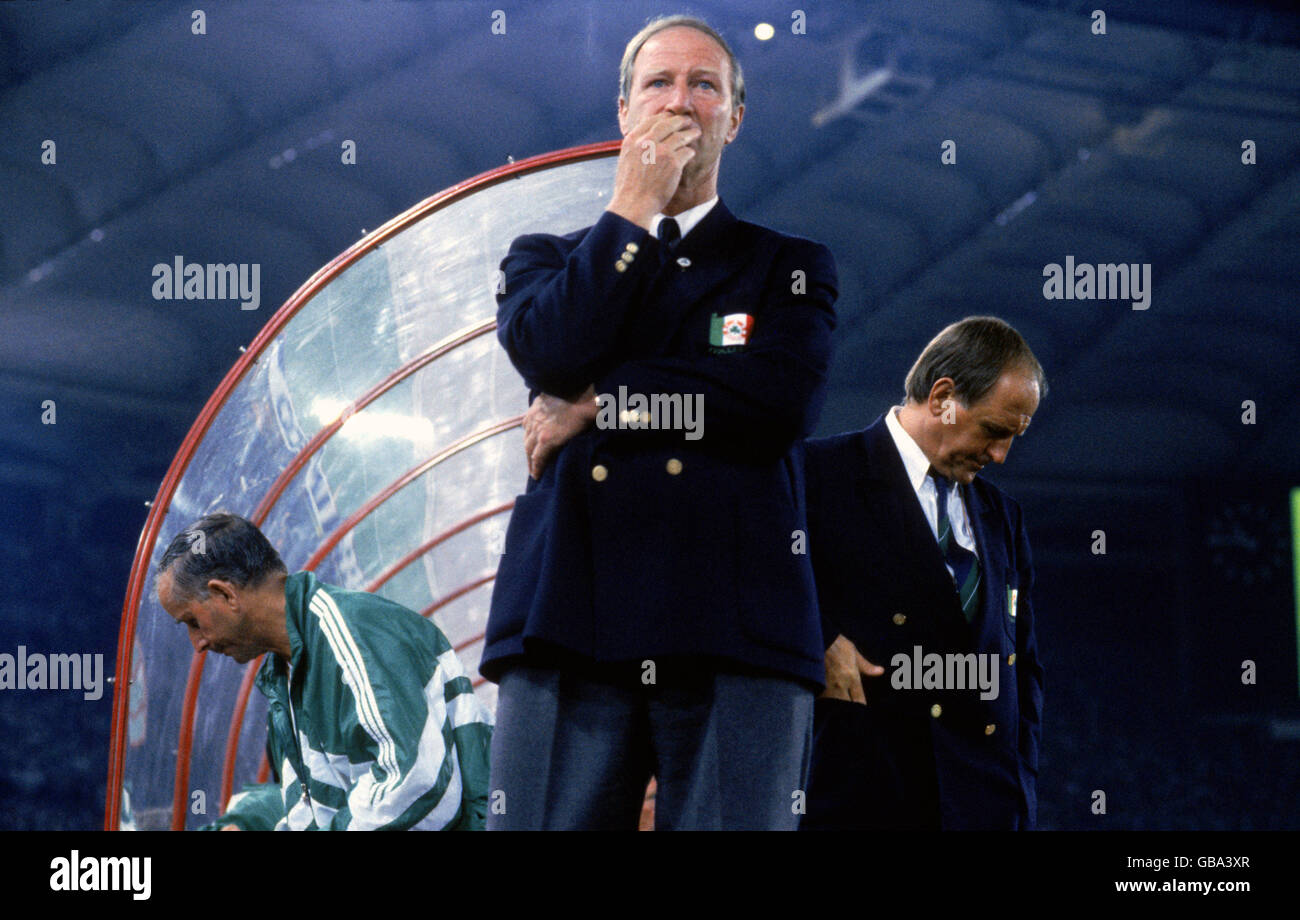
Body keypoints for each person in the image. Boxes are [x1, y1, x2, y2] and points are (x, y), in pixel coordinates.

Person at [482, 15, 838, 830]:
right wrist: (632, 205)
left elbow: (776, 402)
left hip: (736, 624)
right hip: (568, 613)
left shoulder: (789, 264)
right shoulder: (541, 256)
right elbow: (549, 353)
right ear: (624, 112)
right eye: (660, 84)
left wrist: (601, 404)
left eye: (704, 85)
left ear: (735, 119)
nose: (681, 103)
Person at [799, 316, 1046, 830]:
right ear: (942, 397)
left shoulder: (1003, 515)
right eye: (995, 431)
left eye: (1013, 438)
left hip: (985, 809)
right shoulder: (814, 477)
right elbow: (739, 583)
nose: (1000, 455)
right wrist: (813, 639)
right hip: (858, 803)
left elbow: (1022, 668)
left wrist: (1021, 788)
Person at [154, 512, 492, 830]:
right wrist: (245, 821)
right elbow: (313, 808)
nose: (196, 643)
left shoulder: (354, 635)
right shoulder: (285, 674)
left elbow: (416, 784)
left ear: (225, 594)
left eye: (192, 622)